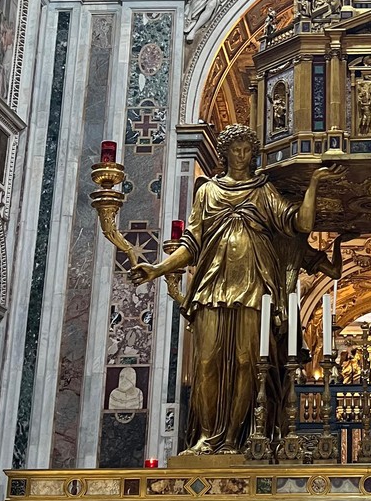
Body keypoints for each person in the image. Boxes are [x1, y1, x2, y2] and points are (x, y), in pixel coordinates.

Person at [130, 124, 340, 453]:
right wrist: (158, 268)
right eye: (235, 149)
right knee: (206, 361)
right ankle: (206, 437)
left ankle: (236, 440)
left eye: (246, 150)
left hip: (255, 286)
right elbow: (191, 243)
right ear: (224, 153)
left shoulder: (264, 190)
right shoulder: (207, 192)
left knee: (249, 362)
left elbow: (300, 223)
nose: (241, 156)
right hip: (213, 284)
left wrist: (313, 184)